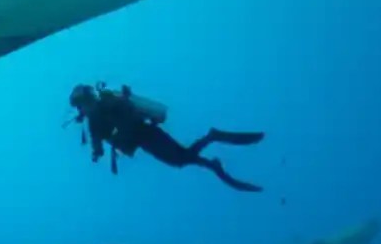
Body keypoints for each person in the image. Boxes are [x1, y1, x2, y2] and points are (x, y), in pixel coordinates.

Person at [66, 82, 264, 192]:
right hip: (144, 140)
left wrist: (108, 143)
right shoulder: (95, 119)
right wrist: (96, 152)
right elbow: (97, 141)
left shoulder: (106, 106)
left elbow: (127, 115)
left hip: (147, 135)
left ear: (87, 101)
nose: (81, 110)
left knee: (180, 159)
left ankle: (211, 144)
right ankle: (210, 159)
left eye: (81, 105)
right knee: (181, 158)